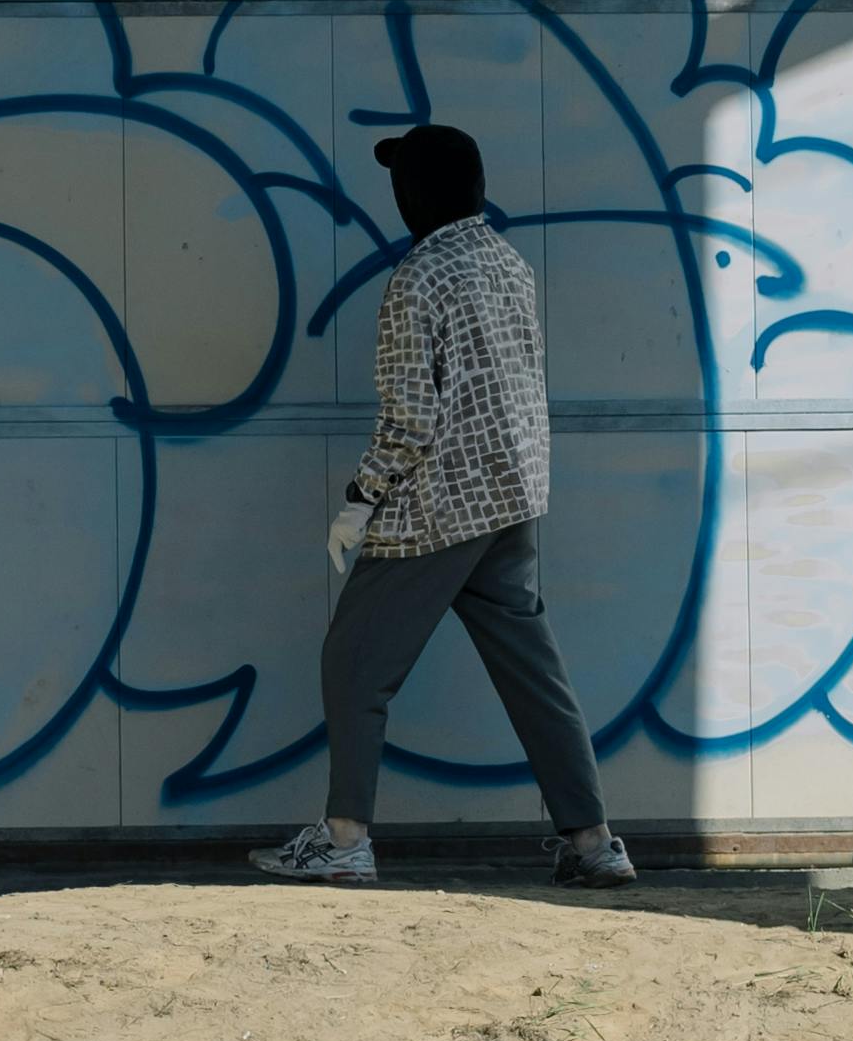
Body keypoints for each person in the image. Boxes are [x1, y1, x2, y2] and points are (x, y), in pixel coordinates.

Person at [253, 120, 634, 893]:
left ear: (416, 193)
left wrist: (360, 498)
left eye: (402, 183)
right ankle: (594, 842)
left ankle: (344, 840)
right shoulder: (508, 263)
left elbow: (411, 417)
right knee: (535, 676)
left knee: (354, 663)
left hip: (439, 505)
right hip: (512, 500)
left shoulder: (419, 277)